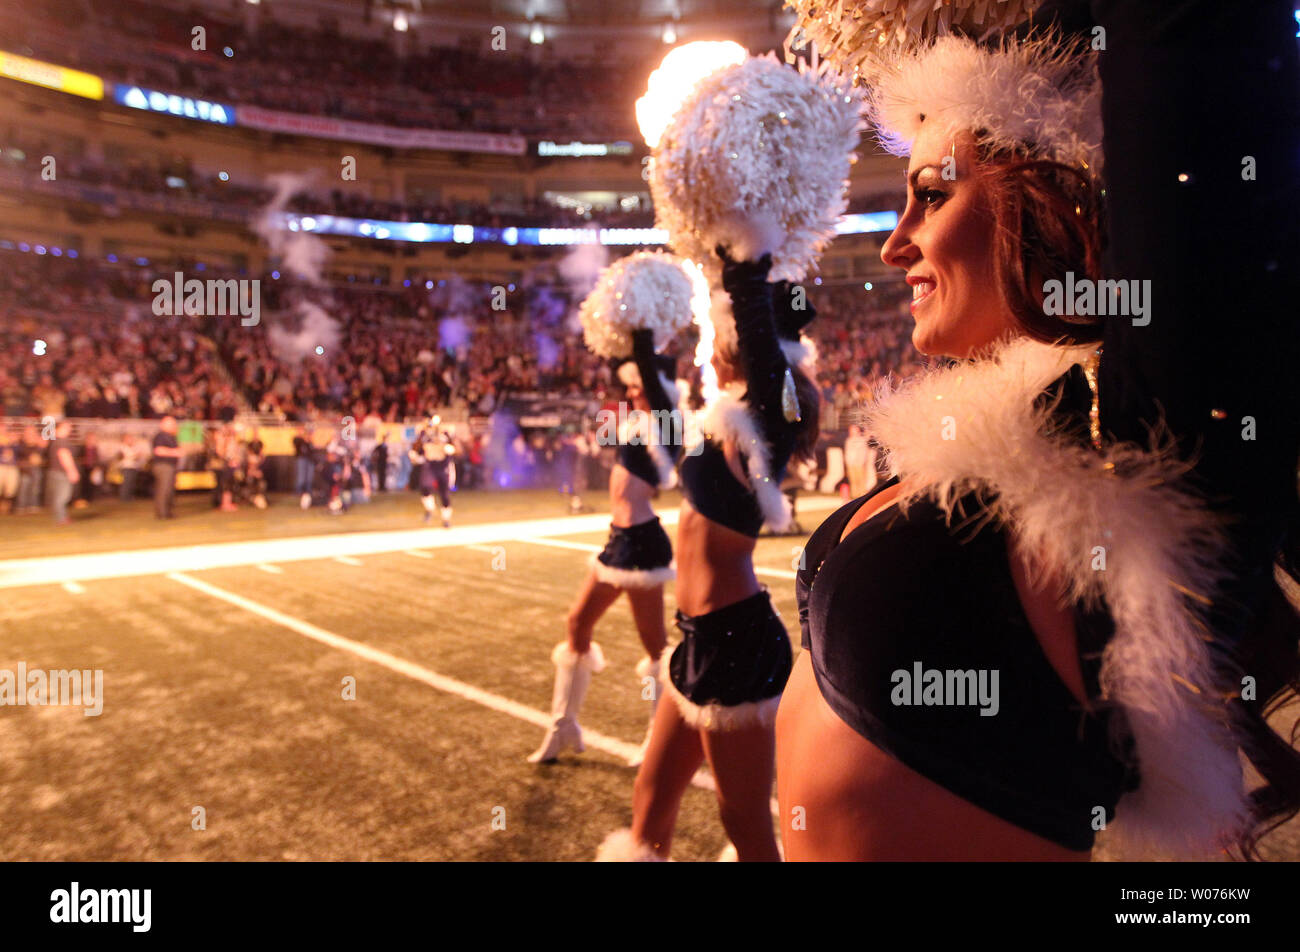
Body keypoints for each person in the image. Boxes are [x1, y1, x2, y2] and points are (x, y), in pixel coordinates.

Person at [775, 1, 1300, 861]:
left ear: (1052, 202)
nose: (892, 246)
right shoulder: (994, 434)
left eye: (933, 197)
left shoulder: (1138, 445)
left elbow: (1189, 50)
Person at [598, 255, 820, 861]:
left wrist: (746, 277)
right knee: (650, 793)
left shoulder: (769, 426)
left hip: (738, 644)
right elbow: (667, 425)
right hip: (692, 640)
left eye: (726, 336)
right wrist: (641, 332)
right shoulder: (716, 426)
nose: (712, 346)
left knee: (742, 820)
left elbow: (768, 357)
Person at [528, 330, 681, 766]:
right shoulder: (636, 422)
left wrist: (641, 335)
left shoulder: (667, 426)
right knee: (577, 623)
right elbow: (630, 387)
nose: (630, 392)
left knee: (654, 648)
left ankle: (659, 739)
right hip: (617, 540)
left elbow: (651, 381)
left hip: (643, 546)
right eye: (629, 386)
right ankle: (563, 725)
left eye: (638, 386)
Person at [409, 415, 456, 527]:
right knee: (425, 487)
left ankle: (446, 519)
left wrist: (449, 449)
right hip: (430, 465)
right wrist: (415, 453)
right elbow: (417, 447)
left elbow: (453, 447)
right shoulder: (424, 435)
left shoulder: (444, 434)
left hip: (442, 465)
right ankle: (430, 509)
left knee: (444, 493)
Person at [46, 419, 80, 526]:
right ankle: (61, 519)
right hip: (61, 473)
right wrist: (72, 471)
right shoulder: (62, 441)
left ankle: (62, 517)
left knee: (59, 496)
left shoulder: (55, 441)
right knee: (63, 496)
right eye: (66, 427)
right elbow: (64, 456)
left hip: (55, 472)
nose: (69, 429)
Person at [151, 415, 182, 520]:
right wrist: (175, 452)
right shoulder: (161, 436)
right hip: (164, 466)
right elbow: (158, 450)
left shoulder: (171, 436)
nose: (175, 426)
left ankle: (167, 511)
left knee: (168, 489)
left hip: (169, 466)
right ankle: (162, 513)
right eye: (172, 424)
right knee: (164, 489)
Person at [117, 433, 148, 501]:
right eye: (129, 439)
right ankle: (124, 497)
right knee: (126, 482)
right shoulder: (122, 447)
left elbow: (139, 456)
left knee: (132, 483)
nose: (131, 440)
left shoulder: (135, 447)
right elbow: (122, 456)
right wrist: (134, 456)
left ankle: (130, 497)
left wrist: (135, 456)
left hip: (134, 467)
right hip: (126, 467)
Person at [0, 426, 18, 514]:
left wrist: (12, 442)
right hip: (1, 466)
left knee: (11, 488)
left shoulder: (13, 442)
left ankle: (7, 507)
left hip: (11, 467)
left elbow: (19, 451)